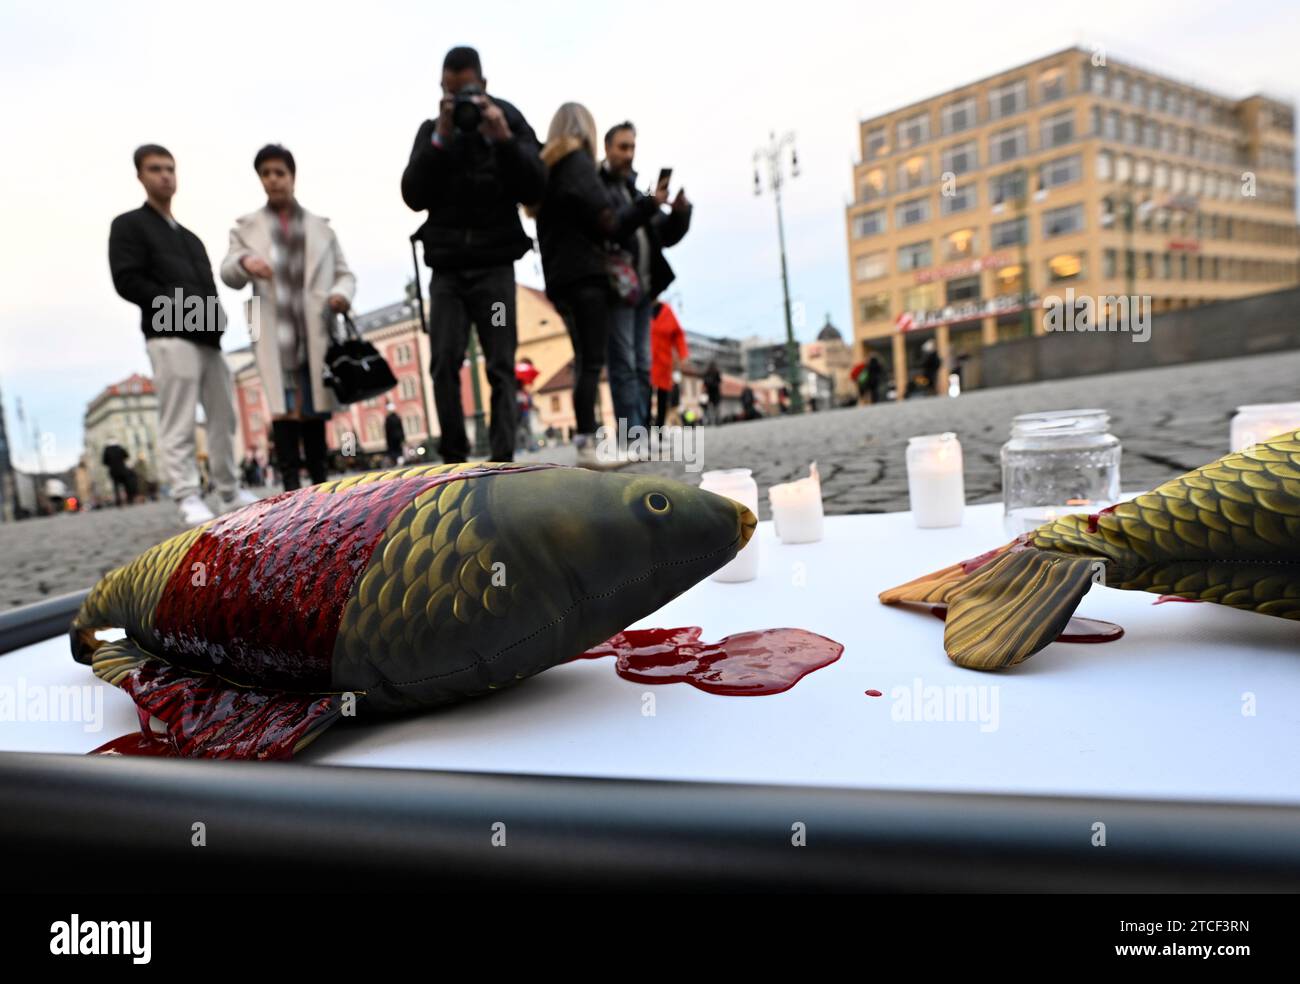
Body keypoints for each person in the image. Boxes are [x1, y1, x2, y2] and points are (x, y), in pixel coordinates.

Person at [401, 46, 546, 464]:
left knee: (500, 361)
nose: (459, 100)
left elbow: (536, 186)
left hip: (494, 270)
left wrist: (504, 140)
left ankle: (502, 458)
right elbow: (413, 195)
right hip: (448, 273)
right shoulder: (433, 131)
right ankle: (453, 461)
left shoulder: (508, 120)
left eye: (465, 90)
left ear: (484, 85)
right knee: (444, 362)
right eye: (450, 92)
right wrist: (440, 139)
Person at [109, 144, 255, 525]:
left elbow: (209, 287)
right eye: (155, 169)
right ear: (140, 175)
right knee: (180, 418)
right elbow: (127, 281)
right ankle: (188, 495)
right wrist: (178, 309)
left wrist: (215, 322)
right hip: (169, 335)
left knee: (224, 417)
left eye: (170, 168)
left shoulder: (191, 238)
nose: (165, 176)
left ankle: (229, 489)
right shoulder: (128, 226)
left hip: (207, 339)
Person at [531, 103, 663, 469]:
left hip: (559, 278)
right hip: (585, 276)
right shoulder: (578, 164)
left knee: (587, 361)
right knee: (593, 362)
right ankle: (588, 445)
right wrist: (646, 205)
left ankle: (588, 442)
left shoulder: (549, 169)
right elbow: (609, 222)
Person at [221, 144, 356, 492]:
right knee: (283, 410)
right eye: (265, 174)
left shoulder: (321, 229)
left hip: (314, 328)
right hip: (271, 330)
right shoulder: (245, 229)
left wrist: (340, 294)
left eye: (279, 172)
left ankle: (321, 487)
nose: (273, 180)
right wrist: (245, 262)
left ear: (292, 176)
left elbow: (344, 274)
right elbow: (228, 272)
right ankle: (291, 490)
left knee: (314, 409)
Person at [600, 122, 693, 437]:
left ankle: (642, 432)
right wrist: (648, 204)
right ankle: (631, 433)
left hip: (643, 289)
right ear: (607, 148)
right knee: (624, 362)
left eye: (632, 147)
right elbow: (614, 227)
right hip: (618, 287)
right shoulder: (603, 188)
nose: (628, 154)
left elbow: (664, 234)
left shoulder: (636, 191)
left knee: (642, 364)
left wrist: (680, 213)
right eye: (622, 147)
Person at [649, 301, 688, 428]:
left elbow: (678, 334)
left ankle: (660, 428)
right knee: (646, 395)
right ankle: (645, 429)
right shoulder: (641, 310)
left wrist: (683, 354)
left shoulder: (667, 311)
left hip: (664, 362)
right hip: (646, 362)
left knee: (663, 397)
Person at [101, 440, 134, 507]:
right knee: (126, 484)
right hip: (122, 469)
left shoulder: (107, 450)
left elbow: (104, 462)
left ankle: (118, 501)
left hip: (113, 471)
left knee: (116, 486)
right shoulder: (119, 448)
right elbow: (127, 456)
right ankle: (130, 499)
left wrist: (110, 463)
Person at [702, 361, 722, 426]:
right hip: (715, 392)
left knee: (711, 408)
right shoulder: (716, 372)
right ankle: (717, 420)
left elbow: (704, 383)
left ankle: (712, 420)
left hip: (709, 393)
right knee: (716, 407)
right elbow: (719, 381)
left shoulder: (706, 373)